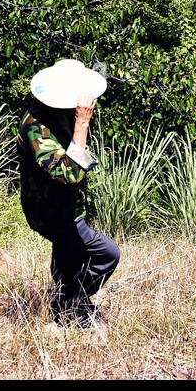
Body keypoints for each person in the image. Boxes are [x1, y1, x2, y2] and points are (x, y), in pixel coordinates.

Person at [15, 59, 119, 327]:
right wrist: (82, 123)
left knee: (69, 256)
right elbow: (69, 173)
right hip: (50, 212)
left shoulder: (58, 114)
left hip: (66, 206)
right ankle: (73, 302)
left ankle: (65, 311)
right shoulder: (35, 127)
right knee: (107, 254)